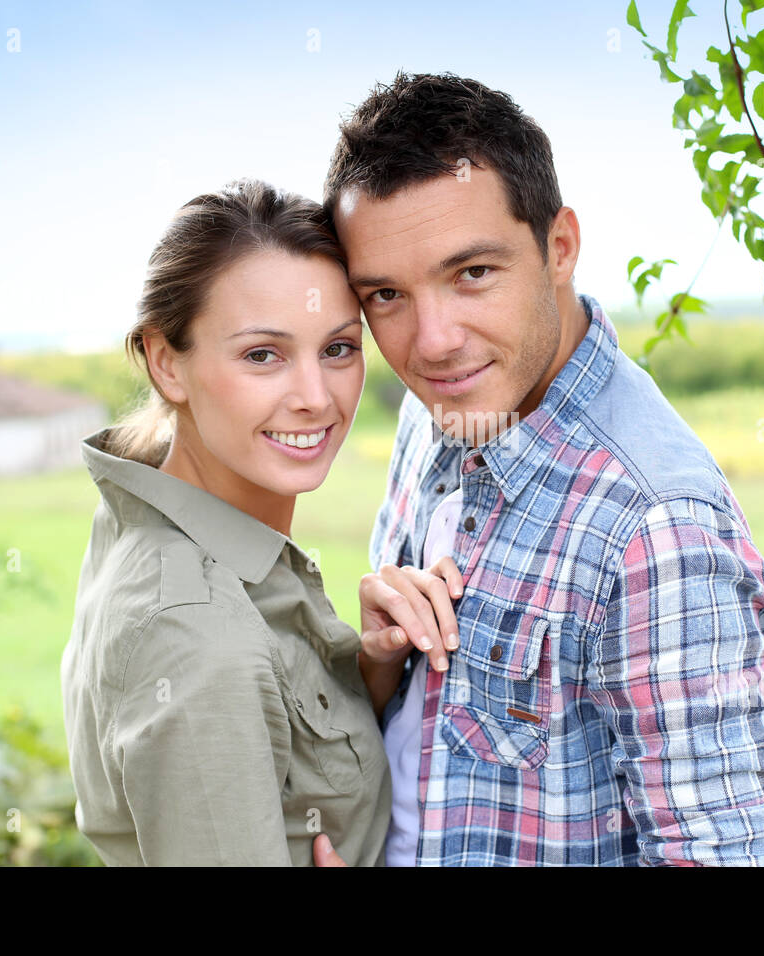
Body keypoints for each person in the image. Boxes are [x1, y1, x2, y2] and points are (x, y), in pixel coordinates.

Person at [316, 71, 764, 866]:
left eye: (472, 273)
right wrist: (375, 661)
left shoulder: (654, 527)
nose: (431, 340)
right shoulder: (434, 408)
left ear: (560, 246)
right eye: (386, 296)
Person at [60, 178, 459, 866]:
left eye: (337, 348)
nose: (315, 398)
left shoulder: (175, 515)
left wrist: (365, 668)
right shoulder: (196, 637)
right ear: (166, 362)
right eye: (262, 355)